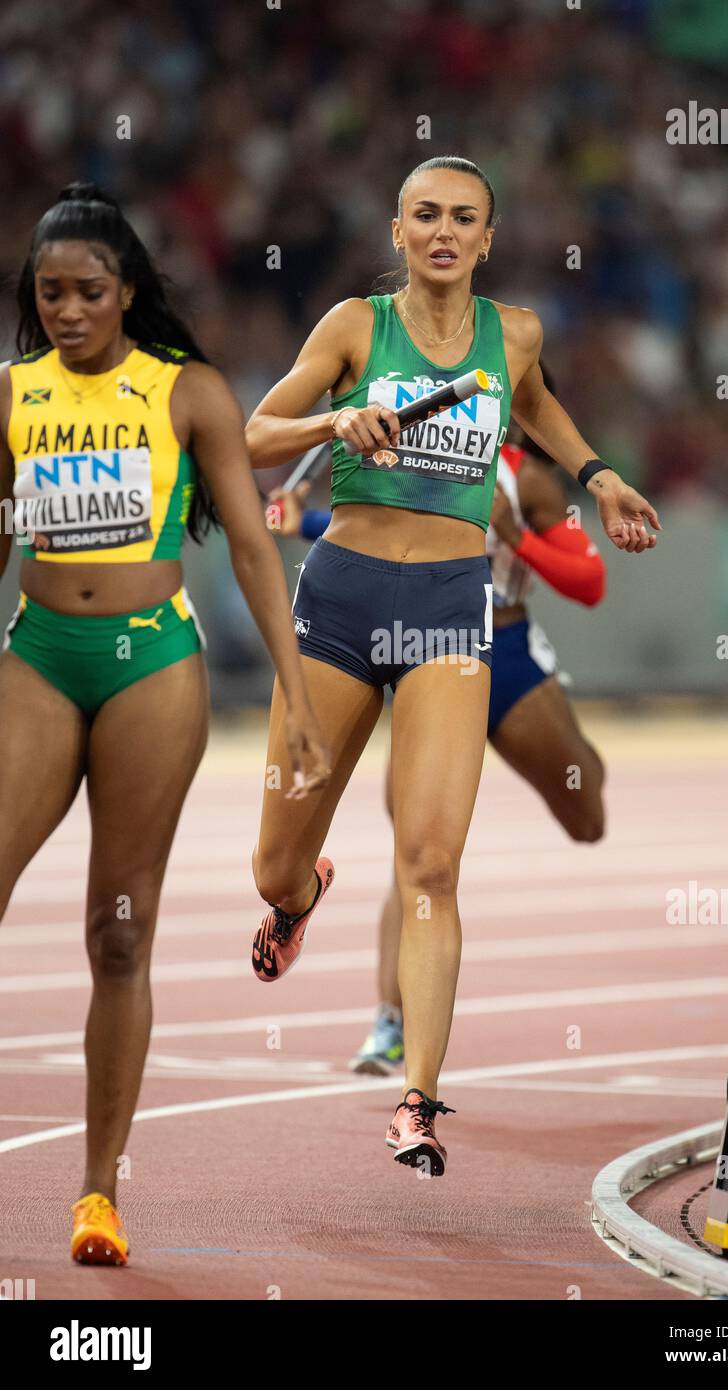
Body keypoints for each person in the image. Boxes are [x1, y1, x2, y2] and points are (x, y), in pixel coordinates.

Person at [246, 155, 659, 1177]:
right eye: (423, 215)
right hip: (339, 601)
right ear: (397, 233)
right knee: (272, 863)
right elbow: (254, 435)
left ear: (487, 235)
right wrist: (333, 419)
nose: (441, 230)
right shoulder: (352, 326)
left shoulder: (514, 332)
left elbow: (538, 409)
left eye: (460, 218)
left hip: (447, 609)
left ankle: (415, 1096)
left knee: (431, 863)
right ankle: (298, 901)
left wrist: (599, 478)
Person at [0, 183, 330, 1265]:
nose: (67, 310)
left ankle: (98, 1191)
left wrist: (295, 698)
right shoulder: (14, 391)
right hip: (39, 656)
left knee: (118, 930)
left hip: (151, 664)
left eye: (88, 291)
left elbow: (247, 546)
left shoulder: (186, 392)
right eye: (49, 293)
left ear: (128, 291)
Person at [265, 369, 609, 1077]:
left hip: (504, 651)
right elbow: (358, 530)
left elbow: (591, 583)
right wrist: (296, 520)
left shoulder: (528, 482)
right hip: (418, 652)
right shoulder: (397, 447)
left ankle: (585, 766)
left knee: (587, 813)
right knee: (417, 858)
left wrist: (519, 539)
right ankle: (390, 1025)